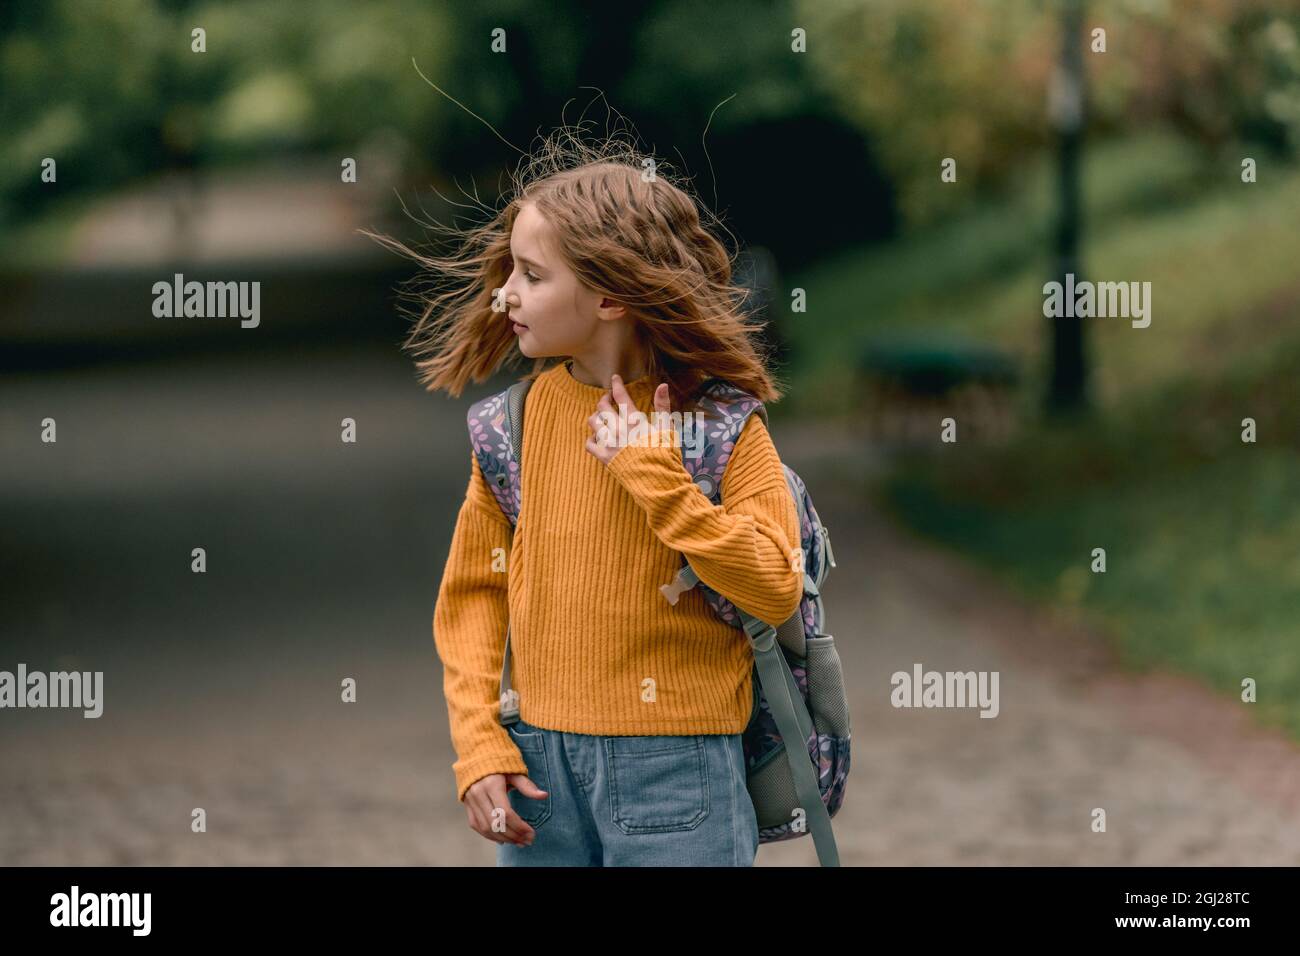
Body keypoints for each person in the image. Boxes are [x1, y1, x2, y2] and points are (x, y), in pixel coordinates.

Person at [368, 130, 802, 866]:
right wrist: (479, 740)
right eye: (510, 270)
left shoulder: (719, 425)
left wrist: (657, 479)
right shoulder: (514, 424)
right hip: (539, 773)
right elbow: (474, 593)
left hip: (677, 773)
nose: (505, 292)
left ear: (609, 294)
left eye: (532, 275)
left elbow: (775, 586)